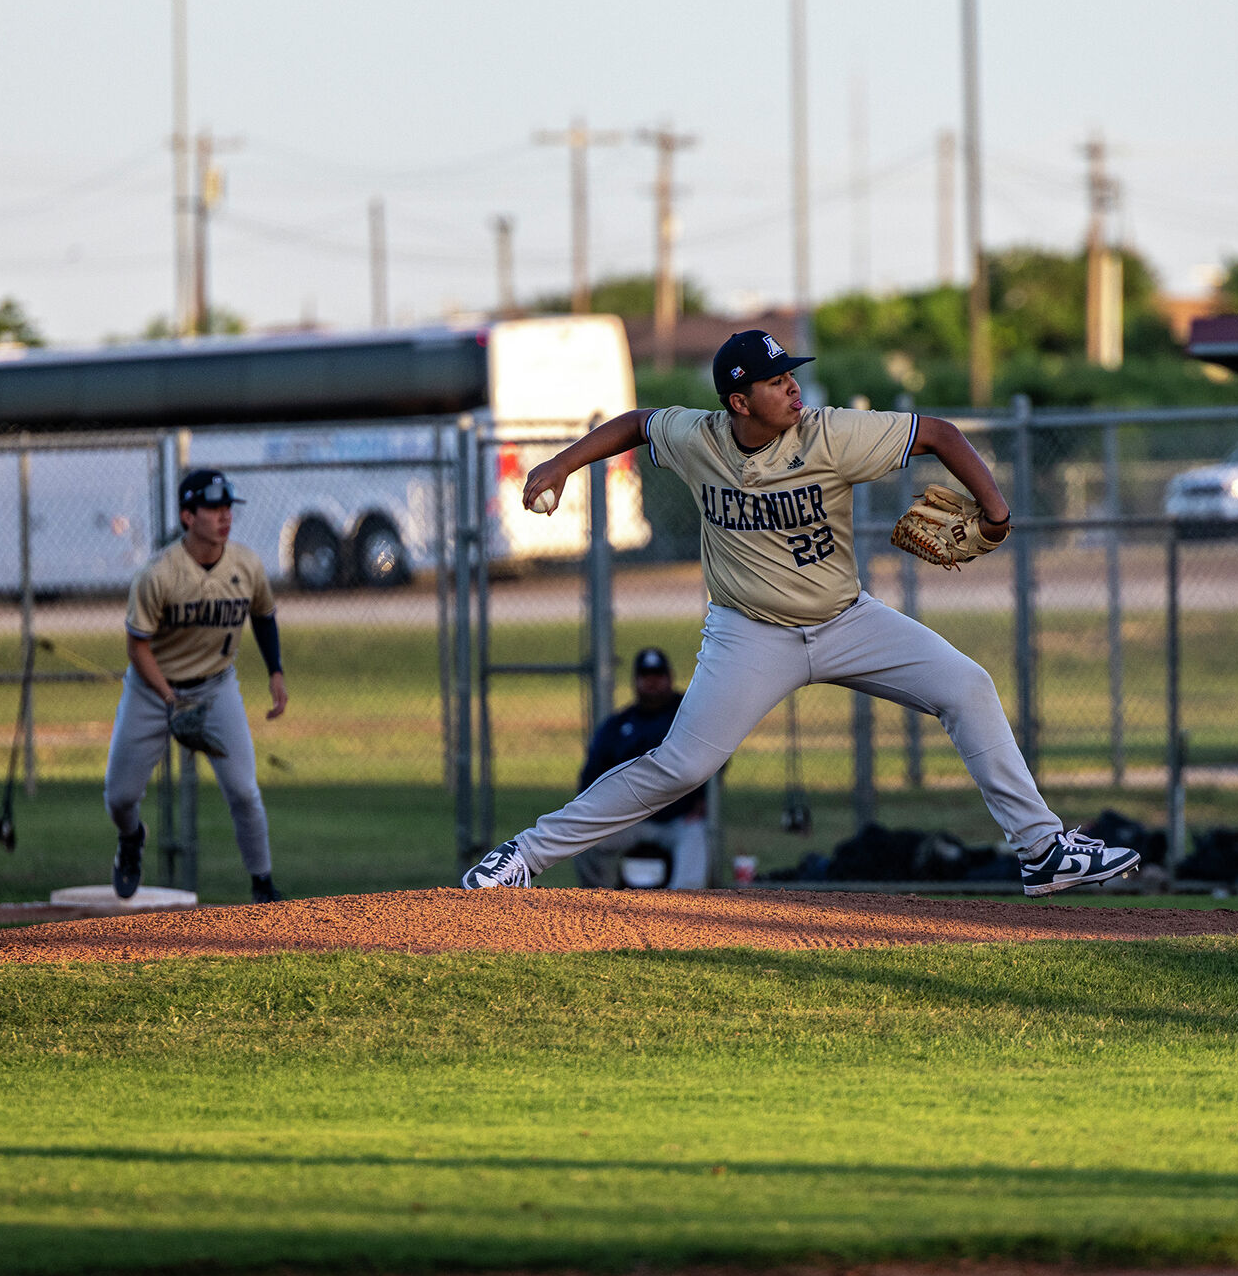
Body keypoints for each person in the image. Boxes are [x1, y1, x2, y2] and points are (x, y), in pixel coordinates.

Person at [461, 329, 1140, 896]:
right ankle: (524, 855)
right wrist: (561, 464)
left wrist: (995, 512)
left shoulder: (828, 434)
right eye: (775, 380)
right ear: (739, 401)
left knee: (967, 686)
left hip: (847, 621)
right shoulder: (700, 438)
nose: (792, 387)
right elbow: (638, 424)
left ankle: (1041, 850)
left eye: (790, 374)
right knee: (681, 767)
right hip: (748, 636)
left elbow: (938, 433)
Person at [104, 468, 289, 903]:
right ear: (188, 516)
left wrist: (276, 672)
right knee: (120, 796)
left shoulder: (246, 565)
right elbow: (137, 647)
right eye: (212, 508)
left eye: (228, 507)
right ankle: (131, 839)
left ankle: (263, 885)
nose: (225, 516)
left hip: (216, 687)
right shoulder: (159, 574)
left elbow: (263, 615)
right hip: (152, 690)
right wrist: (170, 700)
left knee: (244, 791)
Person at [573, 646, 710, 889]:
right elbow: (592, 773)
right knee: (586, 838)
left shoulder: (689, 715)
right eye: (646, 676)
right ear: (635, 681)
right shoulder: (618, 725)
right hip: (629, 817)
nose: (652, 682)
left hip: (677, 818)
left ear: (669, 678)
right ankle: (599, 902)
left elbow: (714, 758)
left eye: (658, 675)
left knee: (694, 836)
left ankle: (683, 905)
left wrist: (704, 797)